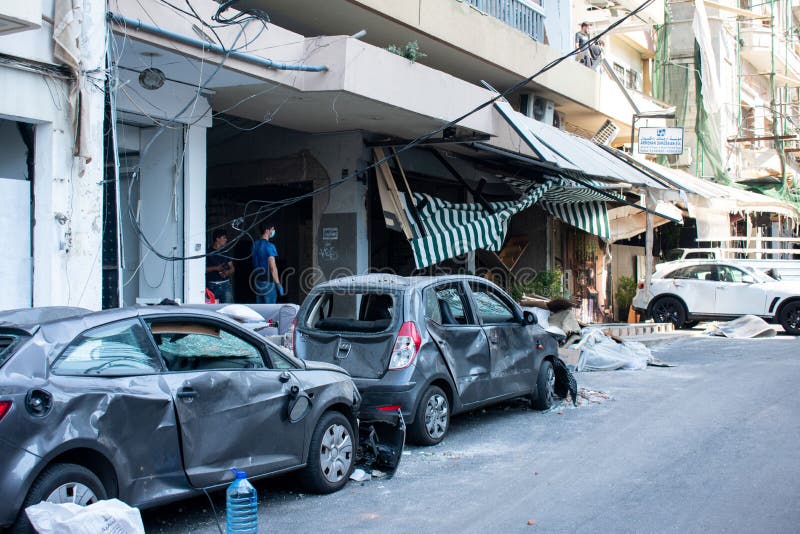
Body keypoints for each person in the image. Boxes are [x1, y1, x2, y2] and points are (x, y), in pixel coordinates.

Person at [252, 222, 284, 304]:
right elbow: (273, 268)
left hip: (257, 281)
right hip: (268, 282)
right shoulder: (269, 246)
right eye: (272, 229)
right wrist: (278, 284)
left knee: (261, 310)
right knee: (270, 310)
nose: (273, 231)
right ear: (267, 231)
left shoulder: (255, 244)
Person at [205, 228, 235, 303]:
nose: (226, 240)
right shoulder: (207, 252)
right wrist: (216, 268)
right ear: (217, 239)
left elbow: (232, 268)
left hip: (225, 285)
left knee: (228, 308)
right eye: (224, 237)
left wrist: (227, 272)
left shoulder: (225, 252)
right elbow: (202, 269)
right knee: (212, 309)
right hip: (211, 286)